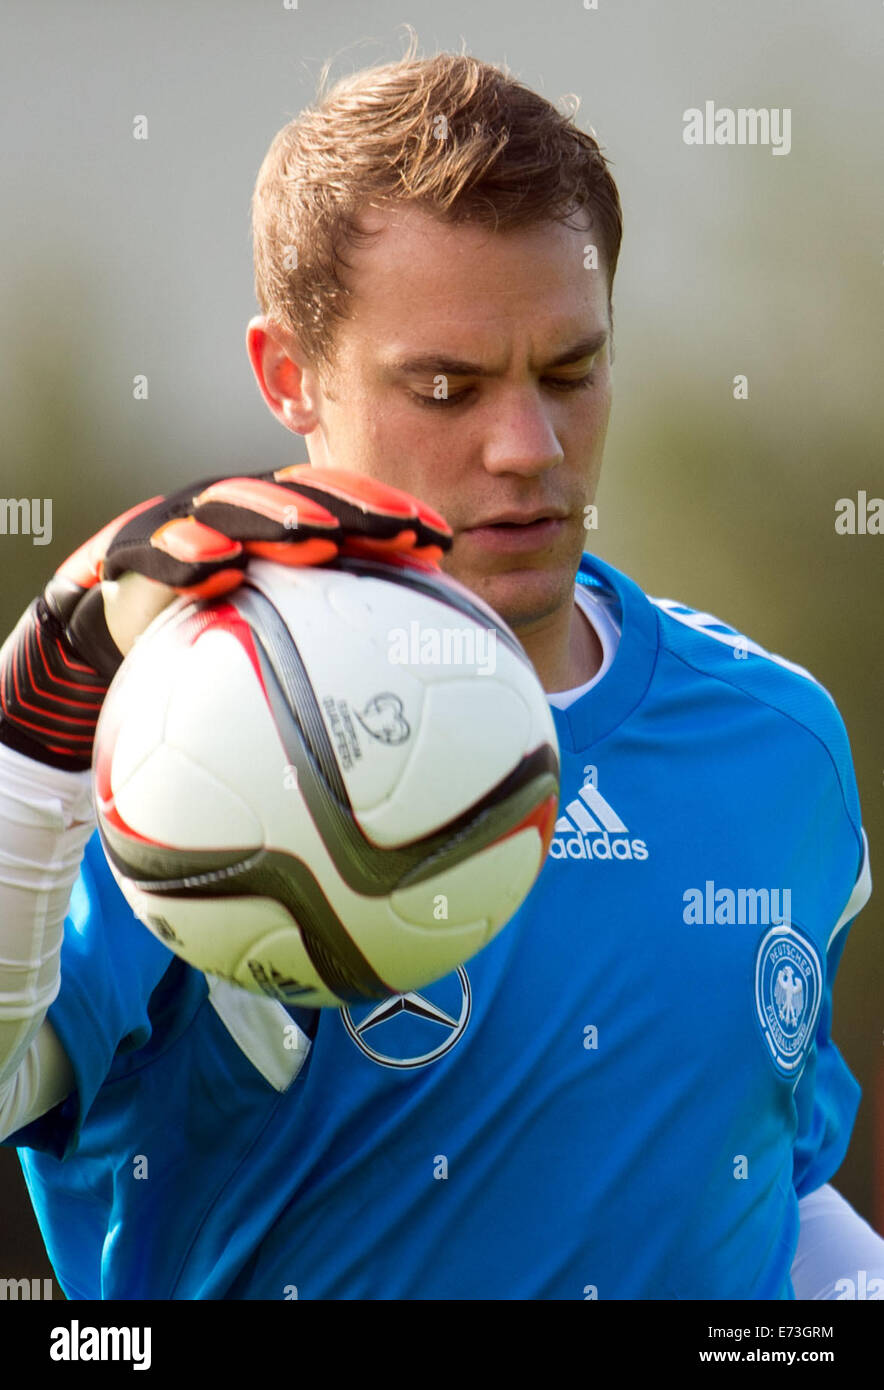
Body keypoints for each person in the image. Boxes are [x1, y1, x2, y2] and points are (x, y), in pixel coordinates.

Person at [1, 47, 882, 1300]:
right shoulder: (168, 755)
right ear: (285, 375)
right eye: (444, 387)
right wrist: (34, 724)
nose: (527, 447)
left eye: (570, 372)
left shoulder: (773, 741)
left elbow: (761, 1187)